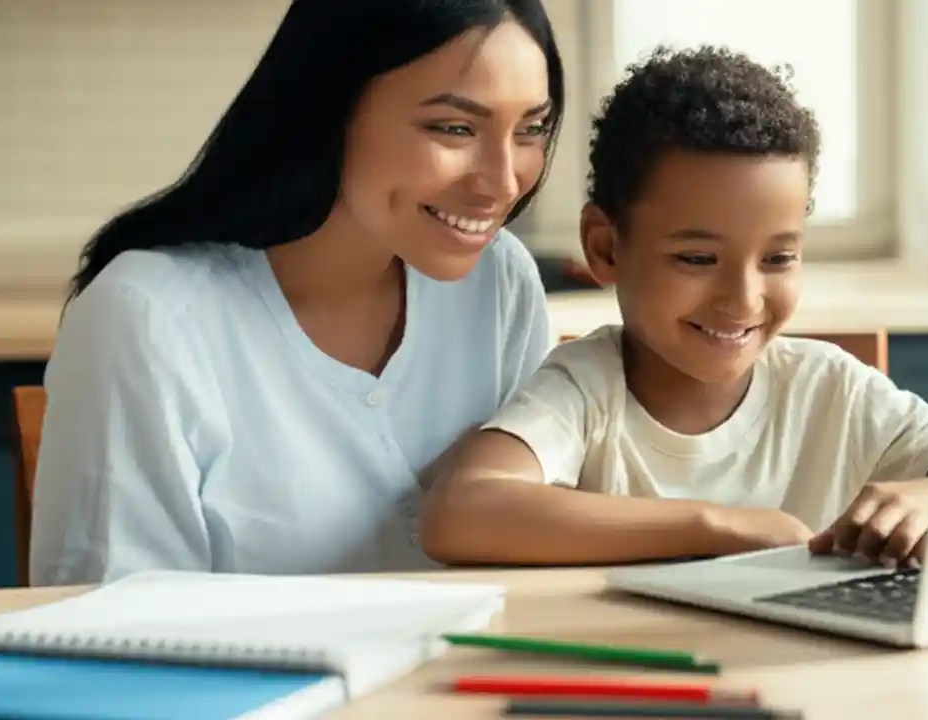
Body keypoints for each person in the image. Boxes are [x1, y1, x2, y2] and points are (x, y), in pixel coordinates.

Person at [30, 0, 565, 585]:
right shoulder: (148, 318)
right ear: (329, 110)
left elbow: (540, 573)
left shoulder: (500, 282)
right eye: (455, 128)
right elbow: (115, 638)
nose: (503, 180)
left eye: (531, 129)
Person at [421, 46, 928, 569]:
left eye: (778, 257)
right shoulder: (587, 390)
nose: (742, 299)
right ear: (605, 248)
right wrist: (715, 526)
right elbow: (460, 512)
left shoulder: (835, 391)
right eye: (697, 258)